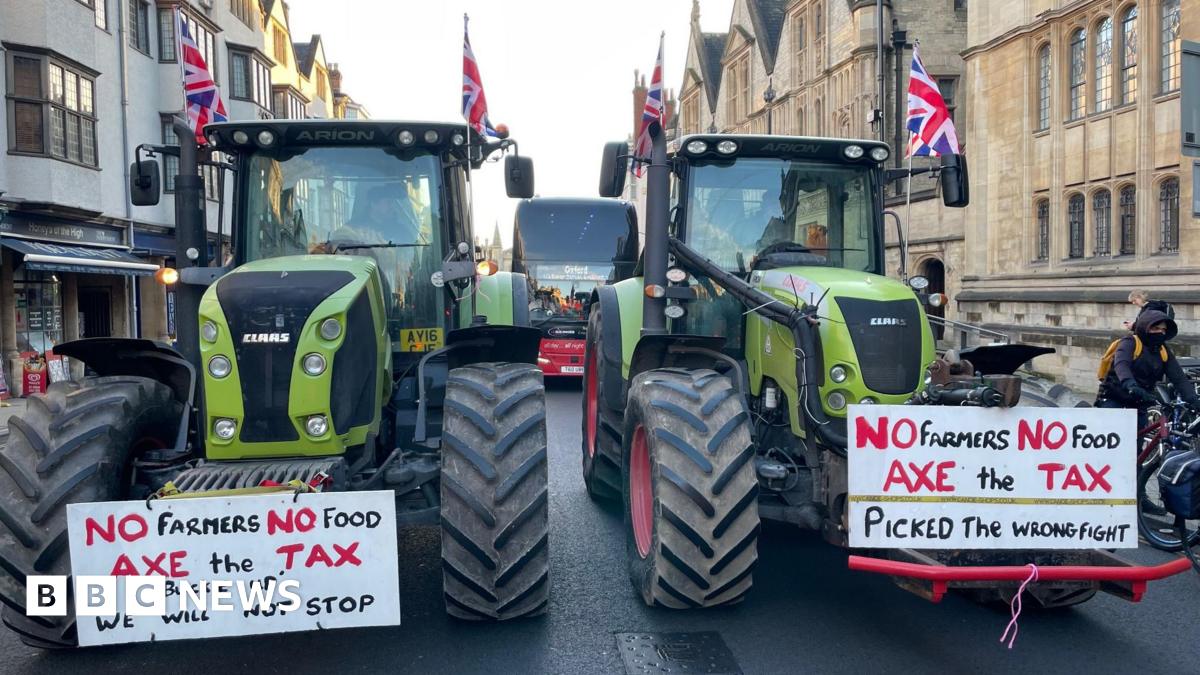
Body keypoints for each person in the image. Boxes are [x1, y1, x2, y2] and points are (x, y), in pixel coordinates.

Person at [1096, 309, 1200, 428]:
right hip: (1114, 396)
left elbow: (1179, 378)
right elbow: (1121, 364)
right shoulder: (1130, 342)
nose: (1160, 332)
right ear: (1145, 327)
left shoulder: (1162, 350)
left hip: (1139, 400)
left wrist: (1193, 400)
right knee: (1111, 432)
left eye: (1163, 330)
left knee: (1137, 440)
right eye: (1155, 328)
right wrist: (1130, 383)